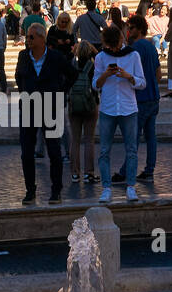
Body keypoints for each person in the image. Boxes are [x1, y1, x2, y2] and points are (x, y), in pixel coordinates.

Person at [15, 22, 76, 205]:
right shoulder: (23, 56)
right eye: (27, 36)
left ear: (42, 38)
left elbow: (72, 74)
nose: (28, 40)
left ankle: (56, 190)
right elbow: (19, 77)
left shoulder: (56, 57)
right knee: (26, 152)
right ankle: (30, 190)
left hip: (51, 107)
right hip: (29, 108)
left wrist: (61, 93)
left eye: (31, 37)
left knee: (54, 150)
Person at [94, 23, 144, 204]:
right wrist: (105, 75)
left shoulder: (133, 55)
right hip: (108, 108)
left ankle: (131, 187)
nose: (113, 50)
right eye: (110, 46)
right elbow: (95, 85)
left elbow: (142, 82)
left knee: (131, 149)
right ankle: (106, 188)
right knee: (104, 150)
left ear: (121, 40)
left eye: (115, 46)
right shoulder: (101, 57)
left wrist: (128, 77)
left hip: (128, 108)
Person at [112, 14, 159, 184]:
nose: (128, 30)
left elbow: (126, 73)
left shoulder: (135, 48)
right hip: (154, 97)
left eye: (131, 28)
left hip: (140, 98)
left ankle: (125, 171)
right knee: (150, 137)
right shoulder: (152, 46)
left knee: (133, 138)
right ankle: (149, 171)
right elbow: (158, 74)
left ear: (139, 29)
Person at [67, 39, 98, 183]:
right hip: (90, 104)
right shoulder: (93, 65)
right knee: (89, 139)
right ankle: (89, 173)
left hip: (74, 105)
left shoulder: (71, 65)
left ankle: (74, 172)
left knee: (75, 139)